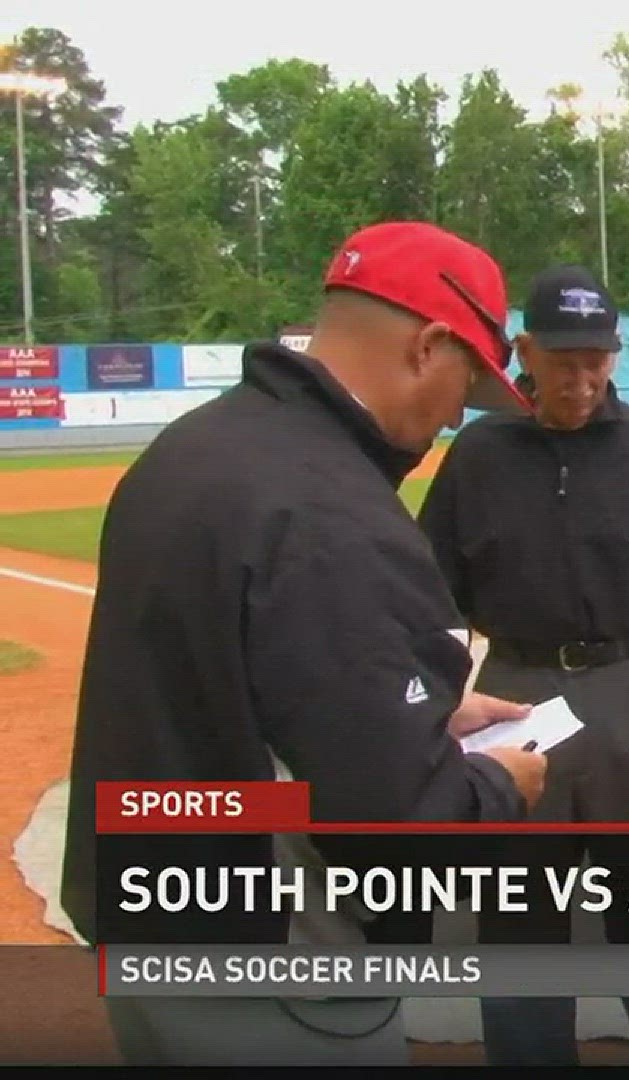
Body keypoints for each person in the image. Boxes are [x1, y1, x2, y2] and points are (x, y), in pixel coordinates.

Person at [61, 221, 549, 1066]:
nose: (453, 419)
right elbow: (397, 833)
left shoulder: (191, 450)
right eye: (465, 381)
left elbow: (228, 681)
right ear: (429, 347)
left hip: (145, 918)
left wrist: (414, 708)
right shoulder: (336, 515)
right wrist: (501, 787)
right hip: (273, 967)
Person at [418, 264, 629, 1066]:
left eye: (597, 357)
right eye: (563, 358)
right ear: (524, 352)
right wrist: (431, 715)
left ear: (615, 353)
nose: (582, 376)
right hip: (517, 692)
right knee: (519, 911)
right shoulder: (479, 454)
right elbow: (438, 605)